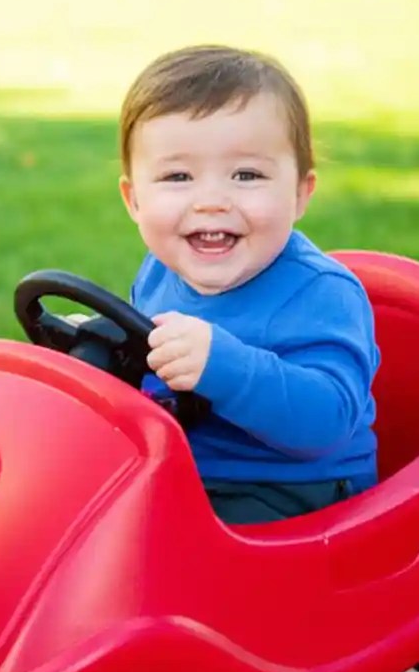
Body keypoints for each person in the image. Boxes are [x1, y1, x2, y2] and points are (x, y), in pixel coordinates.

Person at [117, 44, 380, 524]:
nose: (211, 201)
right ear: (134, 200)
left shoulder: (322, 294)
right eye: (178, 176)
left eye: (246, 174)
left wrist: (224, 365)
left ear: (301, 193)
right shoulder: (158, 271)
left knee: (156, 543)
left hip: (292, 491)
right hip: (184, 469)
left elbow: (327, 421)